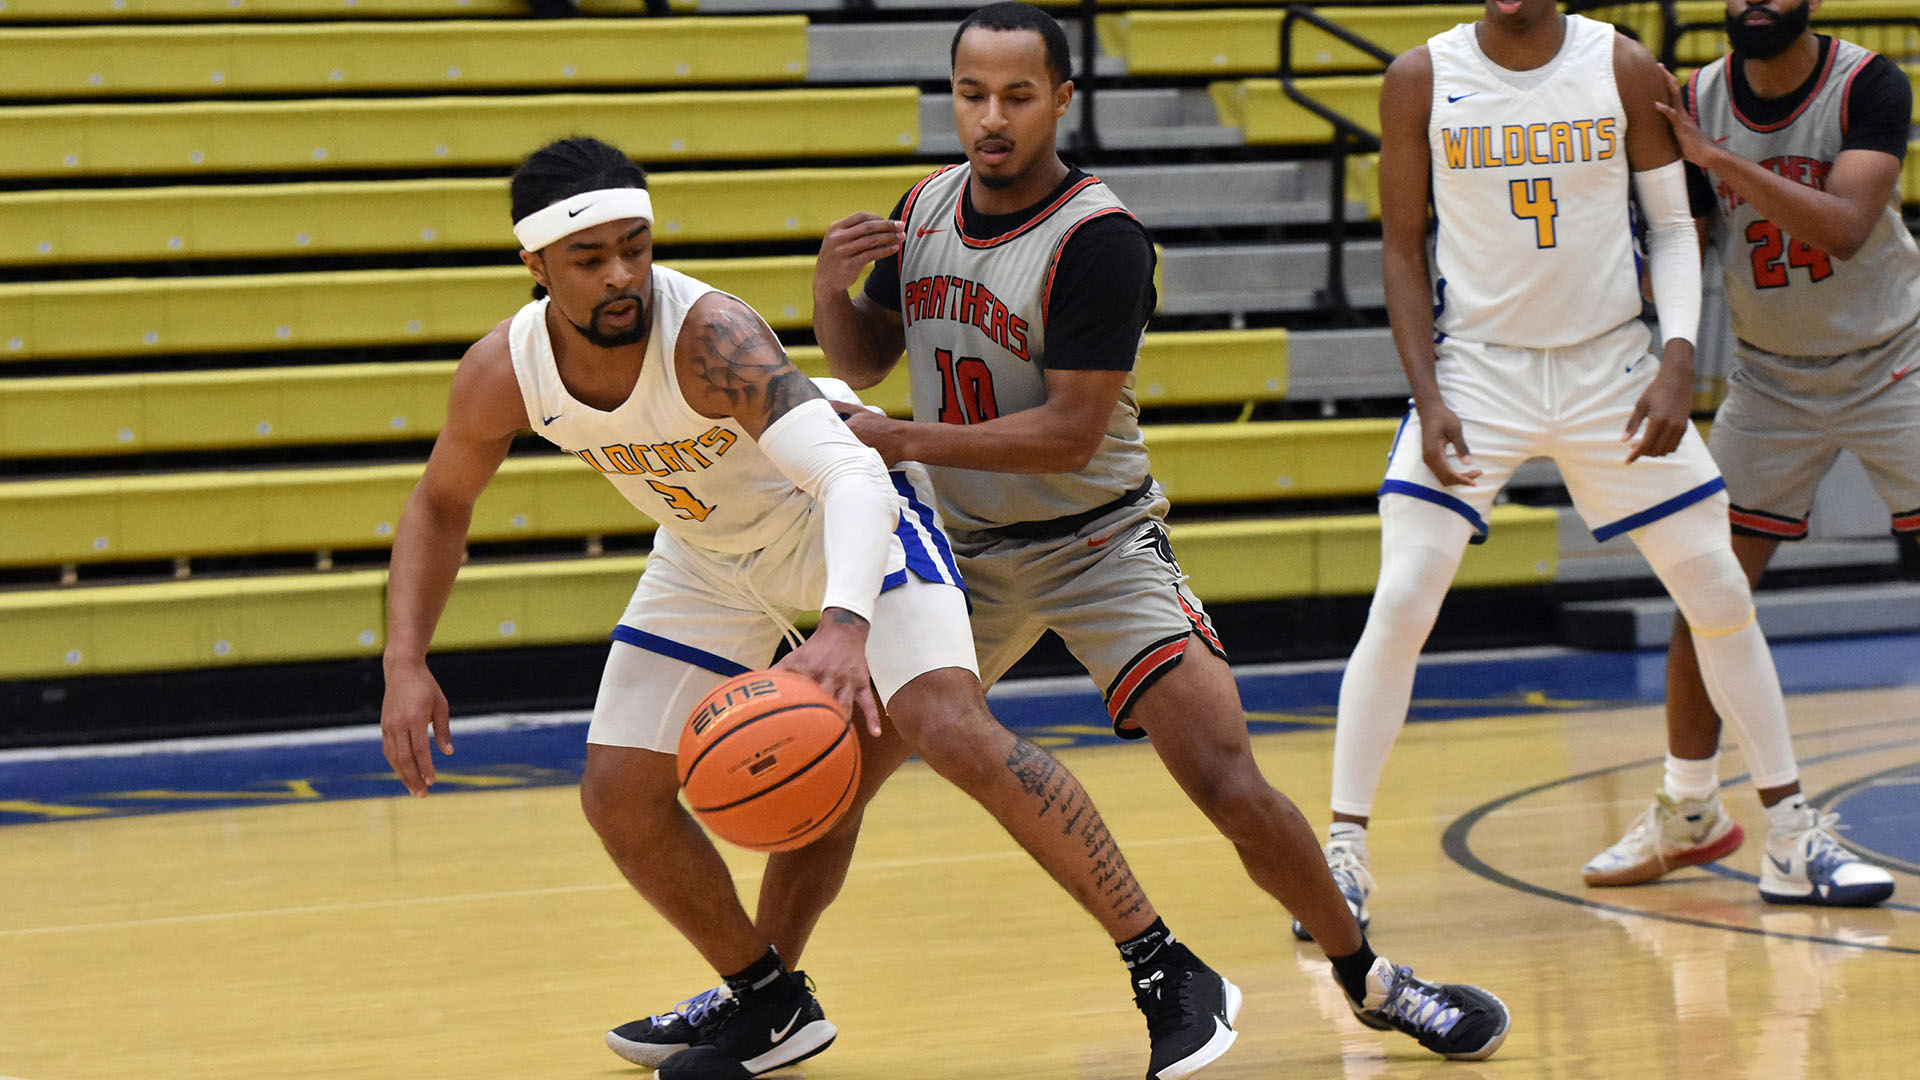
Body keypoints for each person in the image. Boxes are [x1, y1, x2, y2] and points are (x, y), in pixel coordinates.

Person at [615, 3, 1510, 1068]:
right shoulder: (926, 206)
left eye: (1017, 96)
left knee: (1225, 779)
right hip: (961, 552)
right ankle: (762, 997)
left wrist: (904, 438)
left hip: (1097, 545)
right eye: (971, 95)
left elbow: (1070, 434)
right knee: (830, 772)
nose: (991, 119)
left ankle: (1372, 979)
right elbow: (862, 362)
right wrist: (826, 290)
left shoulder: (1101, 240)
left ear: (1062, 101)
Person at [379, 135, 1244, 1080]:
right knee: (618, 795)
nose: (622, 275)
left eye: (636, 247)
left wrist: (843, 626)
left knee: (948, 726)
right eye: (590, 259)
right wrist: (405, 661)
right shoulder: (503, 371)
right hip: (709, 556)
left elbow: (852, 477)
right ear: (536, 266)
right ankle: (768, 1002)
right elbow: (440, 504)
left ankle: (1168, 969)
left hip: (843, 515)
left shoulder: (710, 339)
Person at [1316, 0, 1893, 914]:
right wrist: (1427, 396)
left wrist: (1677, 359)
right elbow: (1399, 248)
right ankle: (1341, 861)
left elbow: (1671, 227)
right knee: (1403, 598)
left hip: (1609, 365)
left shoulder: (1620, 65)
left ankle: (1790, 837)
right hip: (1479, 371)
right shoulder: (1419, 78)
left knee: (1719, 592)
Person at [1588, 0, 1914, 899]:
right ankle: (1690, 809)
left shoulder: (1868, 83)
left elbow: (1845, 226)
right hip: (1770, 380)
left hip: (1896, 361)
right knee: (1707, 588)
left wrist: (1721, 160)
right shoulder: (1692, 97)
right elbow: (1682, 241)